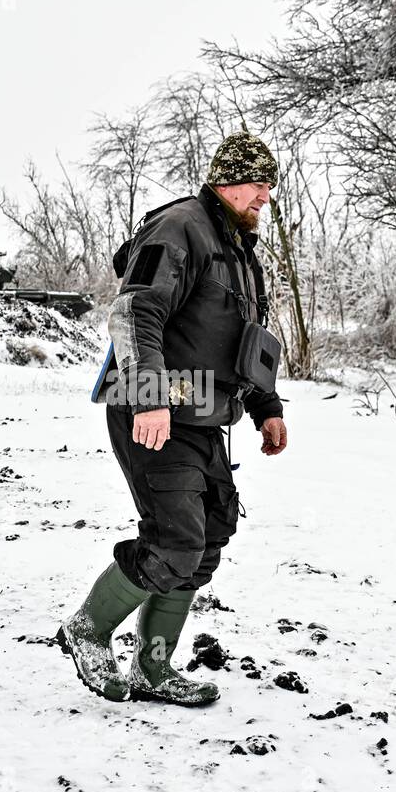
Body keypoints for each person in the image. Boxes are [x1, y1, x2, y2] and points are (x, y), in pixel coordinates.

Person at [59, 132, 289, 706]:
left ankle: (153, 668)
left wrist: (267, 408)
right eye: (258, 184)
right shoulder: (181, 229)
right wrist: (149, 397)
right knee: (175, 541)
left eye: (269, 186)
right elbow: (137, 314)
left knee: (208, 540)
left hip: (204, 417)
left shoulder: (240, 252)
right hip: (153, 413)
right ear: (227, 180)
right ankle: (87, 628)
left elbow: (248, 342)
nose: (266, 196)